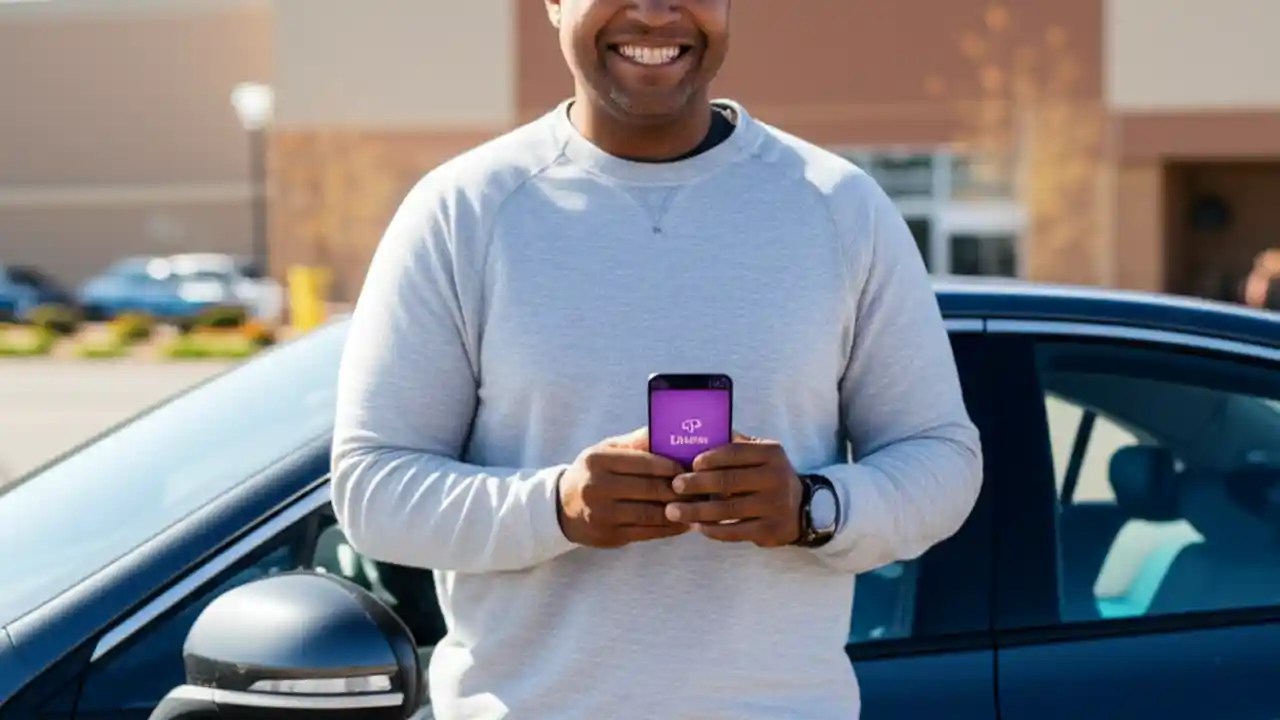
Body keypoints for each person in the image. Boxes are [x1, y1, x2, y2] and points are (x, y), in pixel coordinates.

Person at [330, 1, 983, 717]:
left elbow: (941, 460)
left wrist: (810, 507)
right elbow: (373, 489)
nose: (654, 11)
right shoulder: (463, 213)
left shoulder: (837, 206)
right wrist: (556, 507)